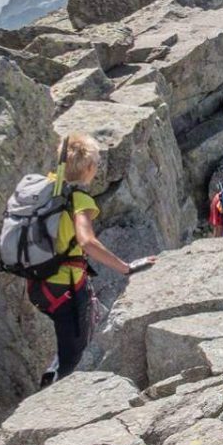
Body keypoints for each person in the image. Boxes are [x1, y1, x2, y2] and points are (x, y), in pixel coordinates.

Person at [31, 133, 146, 388]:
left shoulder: (43, 188)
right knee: (71, 356)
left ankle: (47, 389)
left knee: (61, 347)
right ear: (90, 168)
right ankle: (51, 409)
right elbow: (87, 242)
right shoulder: (78, 200)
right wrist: (125, 268)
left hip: (38, 283)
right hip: (67, 288)